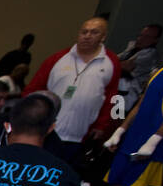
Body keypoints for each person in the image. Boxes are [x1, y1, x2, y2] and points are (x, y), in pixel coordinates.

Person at [85, 63, 163, 186]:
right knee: (115, 179)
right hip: (134, 135)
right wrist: (120, 131)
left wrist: (152, 143)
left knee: (133, 184)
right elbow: (140, 104)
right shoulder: (160, 71)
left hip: (156, 142)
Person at [24, 17, 121, 163]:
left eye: (94, 32)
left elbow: (112, 97)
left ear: (103, 36)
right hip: (47, 130)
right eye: (84, 32)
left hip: (80, 134)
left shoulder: (111, 62)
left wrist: (102, 125)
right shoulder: (57, 58)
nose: (87, 36)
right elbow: (33, 90)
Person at [117, 24, 163, 108]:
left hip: (127, 99)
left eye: (147, 37)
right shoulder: (133, 49)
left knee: (115, 118)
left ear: (155, 40)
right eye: (140, 35)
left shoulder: (151, 54)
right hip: (117, 92)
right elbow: (116, 59)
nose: (140, 39)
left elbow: (125, 65)